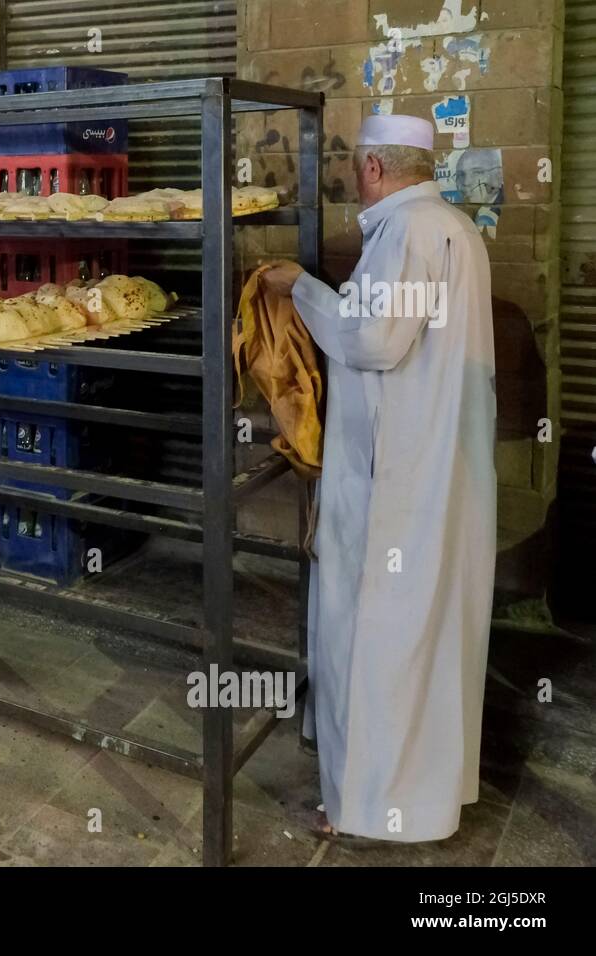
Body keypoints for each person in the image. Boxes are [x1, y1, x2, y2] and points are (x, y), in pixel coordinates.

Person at [261, 114, 496, 844]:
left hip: (395, 477)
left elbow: (372, 338)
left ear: (372, 167)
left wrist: (301, 287)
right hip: (440, 469)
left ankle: (367, 806)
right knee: (429, 632)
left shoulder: (407, 231)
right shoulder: (455, 227)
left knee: (375, 631)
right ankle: (426, 798)